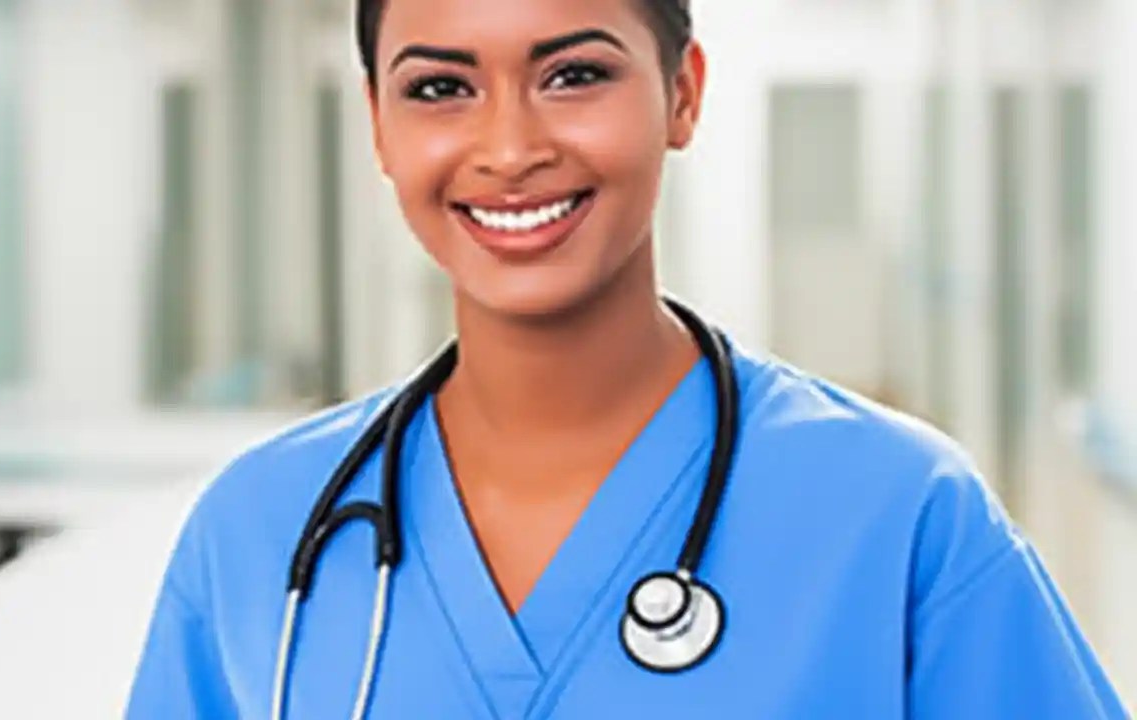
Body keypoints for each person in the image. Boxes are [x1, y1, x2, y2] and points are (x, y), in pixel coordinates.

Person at [126, 0, 1128, 717]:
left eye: (573, 74)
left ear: (680, 94)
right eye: (439, 87)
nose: (508, 146)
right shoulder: (261, 532)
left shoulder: (897, 514)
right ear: (379, 127)